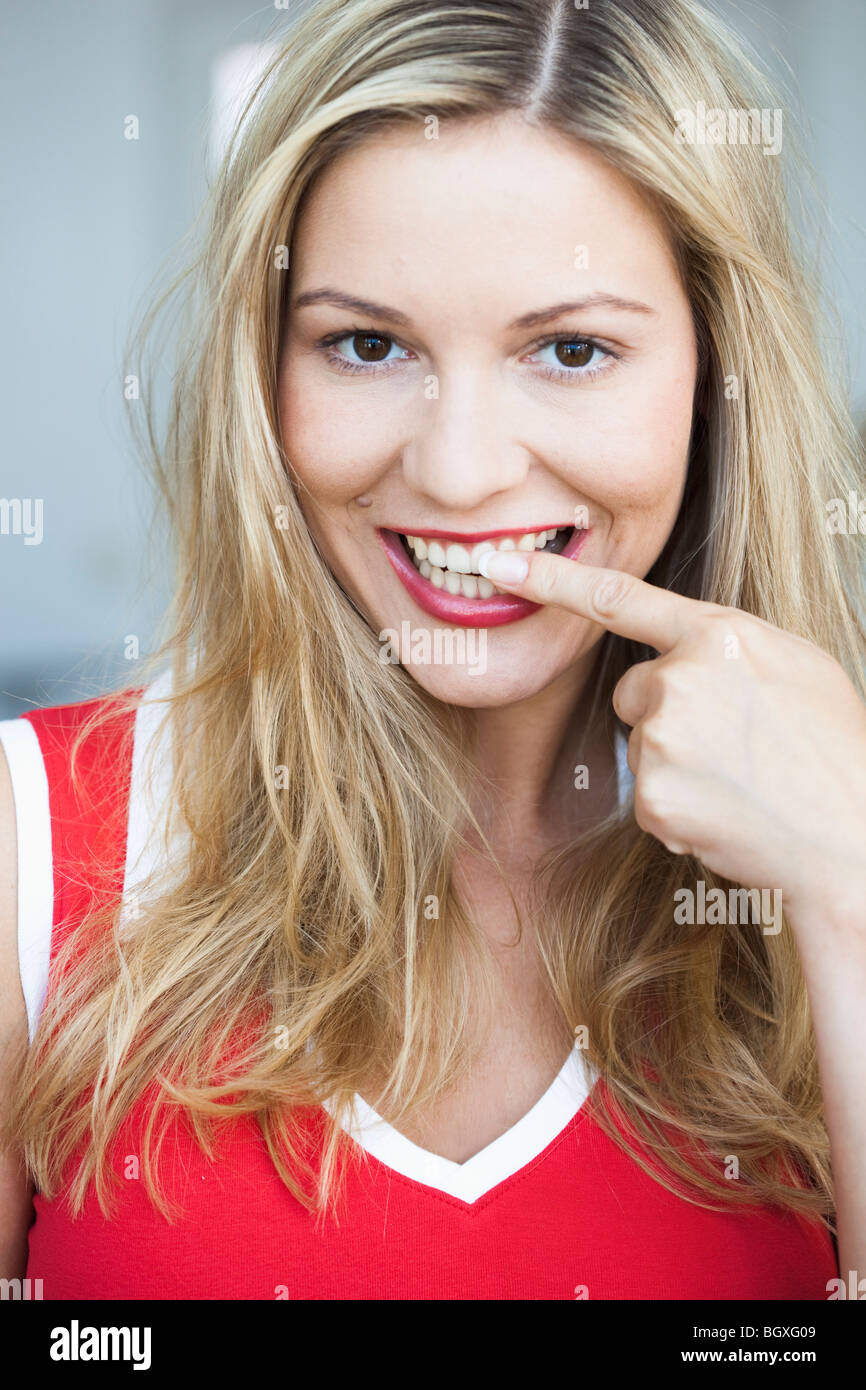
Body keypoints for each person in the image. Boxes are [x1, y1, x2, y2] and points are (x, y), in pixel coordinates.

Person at [1, 0, 865, 1300]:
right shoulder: (33, 840)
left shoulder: (842, 840)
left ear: (714, 375)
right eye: (365, 343)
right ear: (265, 373)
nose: (458, 469)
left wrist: (844, 881)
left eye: (569, 349)